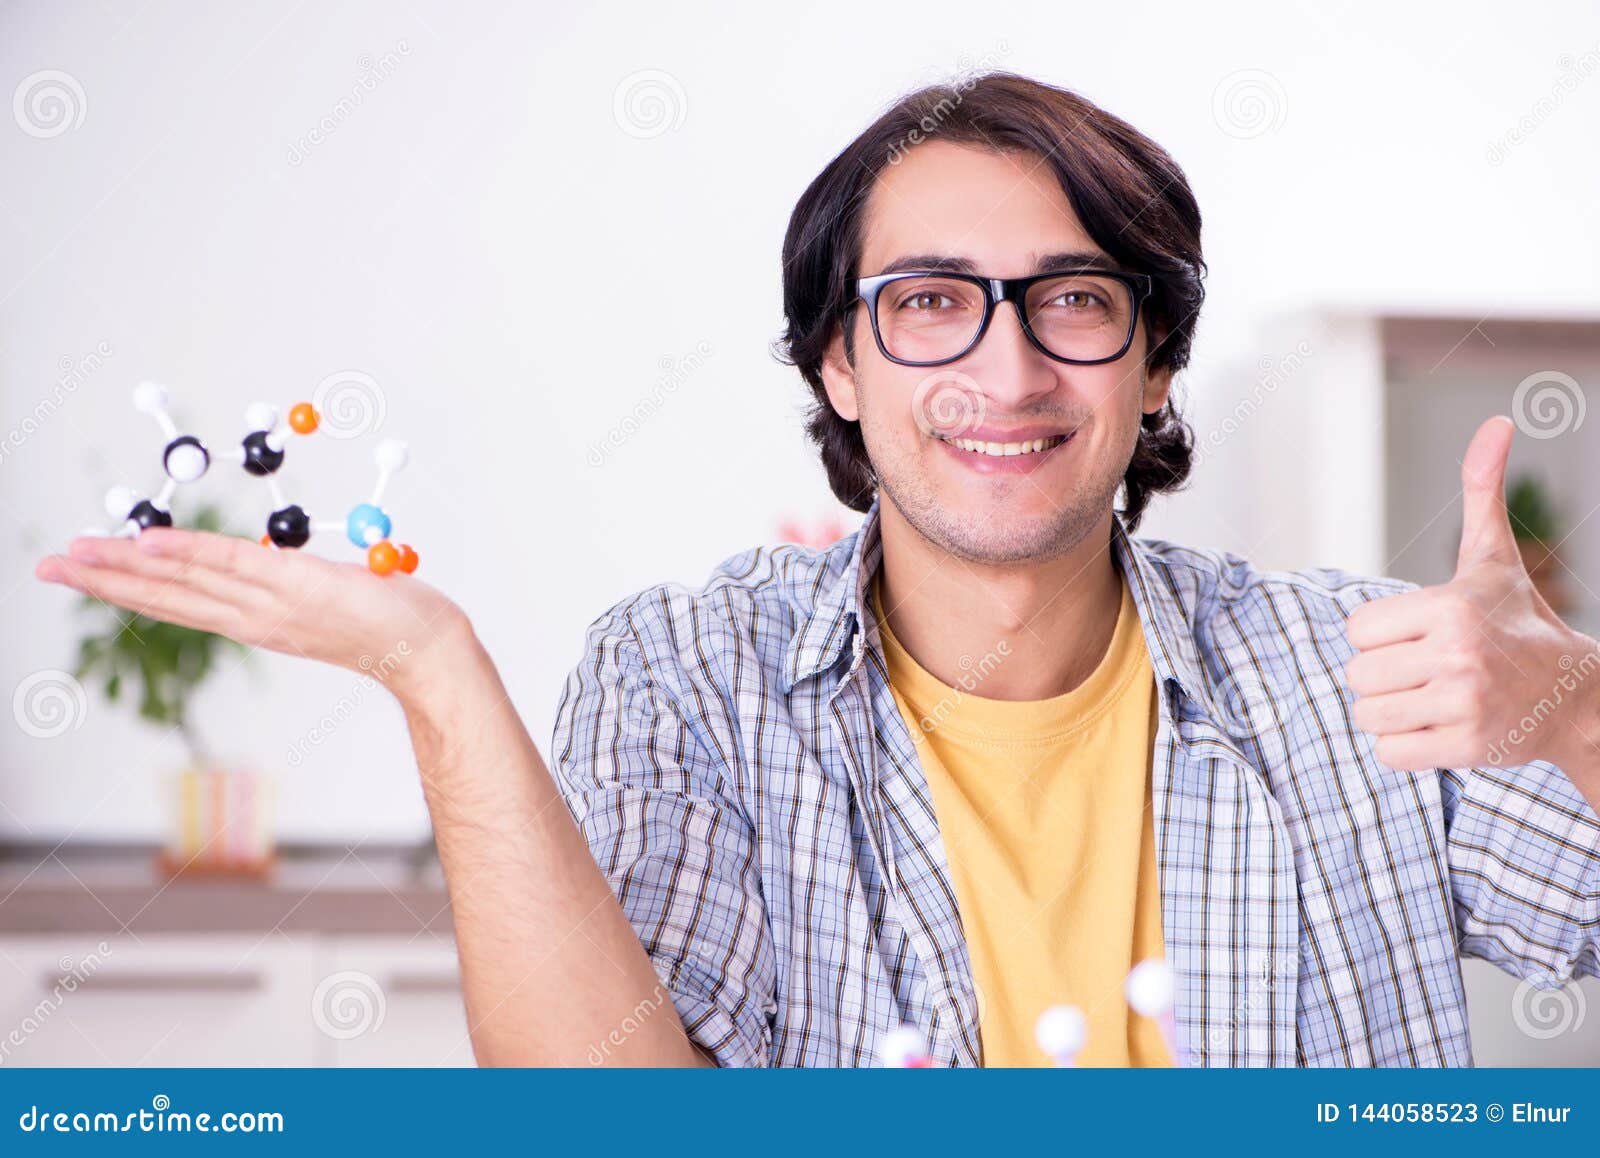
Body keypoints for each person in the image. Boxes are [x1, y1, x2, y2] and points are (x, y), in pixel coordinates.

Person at [36, 72, 1600, 1067]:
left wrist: (1576, 702)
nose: (1009, 368)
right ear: (839, 365)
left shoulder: (1362, 669)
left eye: (1073, 300)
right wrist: (440, 679)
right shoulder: (687, 674)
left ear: (1156, 367)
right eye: (930, 304)